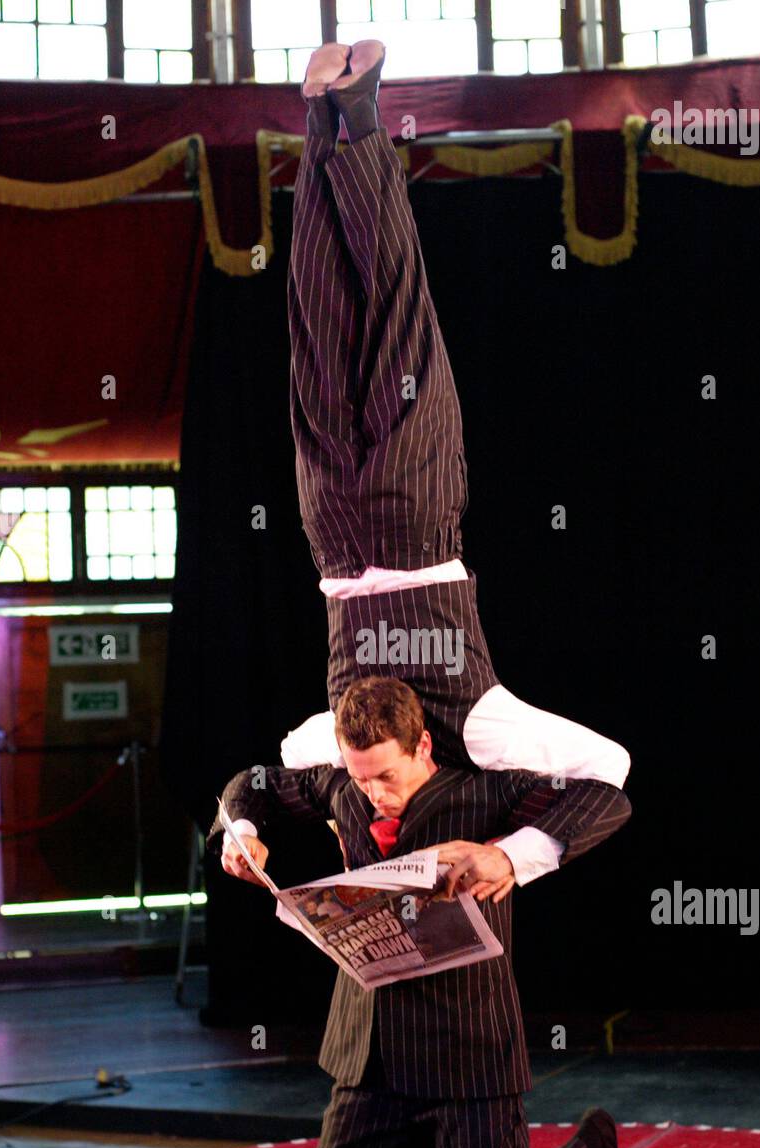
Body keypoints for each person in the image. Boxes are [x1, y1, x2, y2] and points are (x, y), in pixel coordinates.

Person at [283, 38, 631, 788]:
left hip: (333, 536)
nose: (374, 786)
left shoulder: (344, 738)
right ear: (426, 758)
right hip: (412, 514)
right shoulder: (480, 729)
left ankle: (318, 117)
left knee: (314, 315)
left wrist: (246, 823)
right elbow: (608, 764)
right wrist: (507, 855)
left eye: (369, 782)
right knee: (392, 300)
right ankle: (359, 110)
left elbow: (285, 758)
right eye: (384, 783)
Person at [208, 674, 631, 1148]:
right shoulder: (343, 790)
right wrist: (241, 831)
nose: (375, 793)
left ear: (424, 748)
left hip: (468, 1054)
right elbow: (251, 783)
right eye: (360, 777)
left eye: (387, 775)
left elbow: (608, 798)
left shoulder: (489, 793)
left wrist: (511, 855)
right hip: (374, 1057)